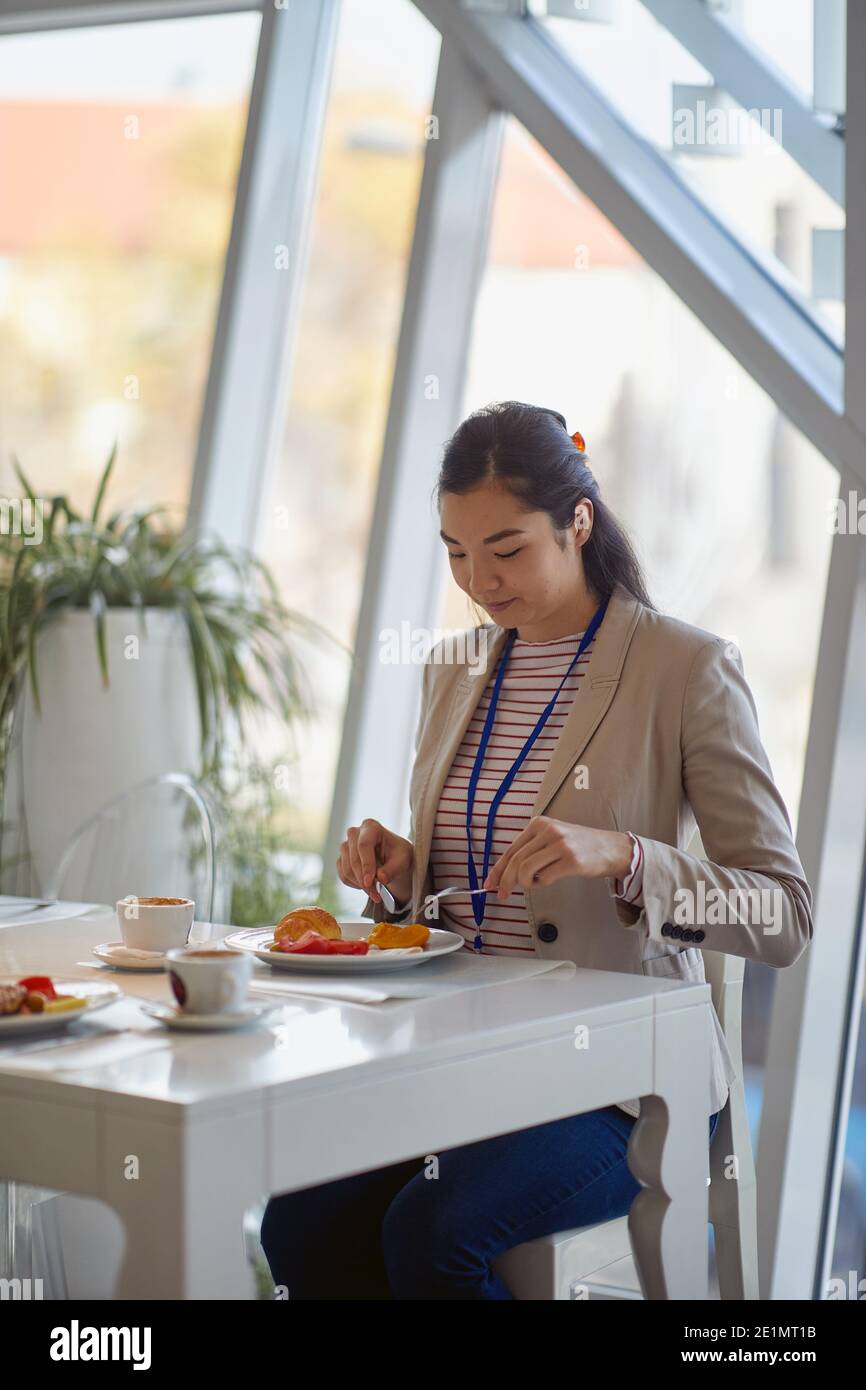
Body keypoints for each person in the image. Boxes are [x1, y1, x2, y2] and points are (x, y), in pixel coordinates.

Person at [260, 399, 813, 1299]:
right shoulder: (455, 668)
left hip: (621, 1082)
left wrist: (628, 859)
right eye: (455, 552)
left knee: (434, 1231)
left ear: (577, 524)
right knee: (301, 1221)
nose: (480, 579)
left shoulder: (687, 668)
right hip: (466, 1059)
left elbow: (782, 913)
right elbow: (462, 896)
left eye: (507, 549)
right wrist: (403, 875)